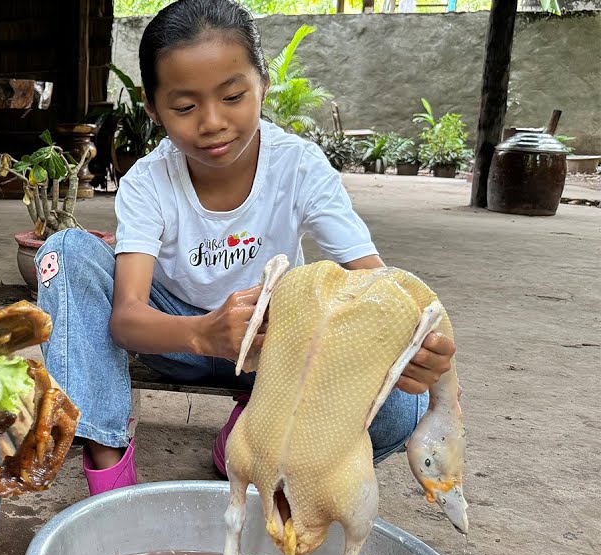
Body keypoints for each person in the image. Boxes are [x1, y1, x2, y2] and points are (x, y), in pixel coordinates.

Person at [35, 0, 456, 495]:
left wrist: (411, 344)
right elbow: (127, 319)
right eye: (185, 107)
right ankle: (109, 470)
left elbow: (375, 281)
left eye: (233, 96)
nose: (211, 122)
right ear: (152, 108)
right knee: (65, 250)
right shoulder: (148, 182)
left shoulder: (298, 167)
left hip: (278, 350)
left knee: (402, 404)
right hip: (177, 338)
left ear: (263, 85)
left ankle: (262, 444)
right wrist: (204, 334)